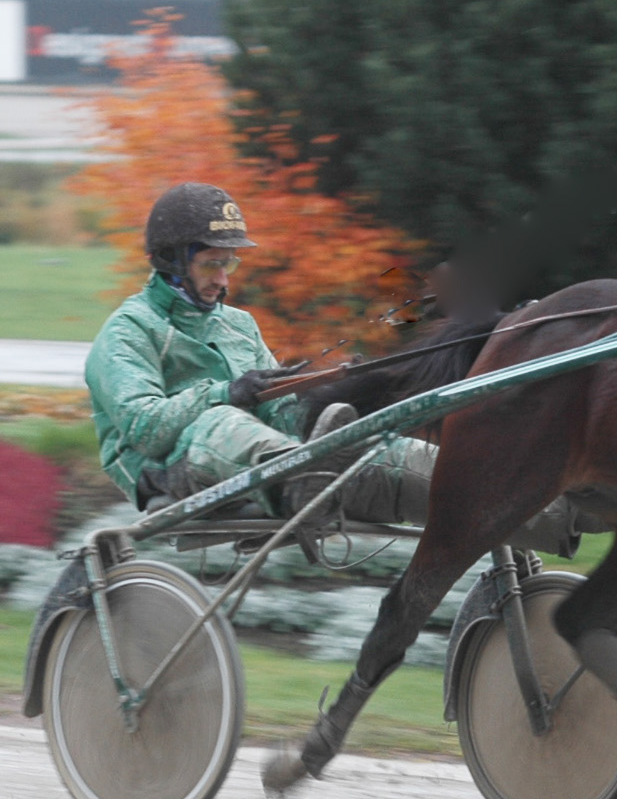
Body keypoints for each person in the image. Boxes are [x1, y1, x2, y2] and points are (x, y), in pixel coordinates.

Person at [84, 182, 583, 553]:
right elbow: (145, 429)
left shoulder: (238, 324)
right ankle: (310, 478)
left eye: (228, 263)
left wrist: (329, 390)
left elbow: (273, 413)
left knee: (379, 442)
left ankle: (556, 514)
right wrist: (226, 393)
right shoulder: (128, 331)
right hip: (173, 476)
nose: (222, 277)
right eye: (211, 263)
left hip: (265, 460)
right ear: (172, 262)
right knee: (224, 421)